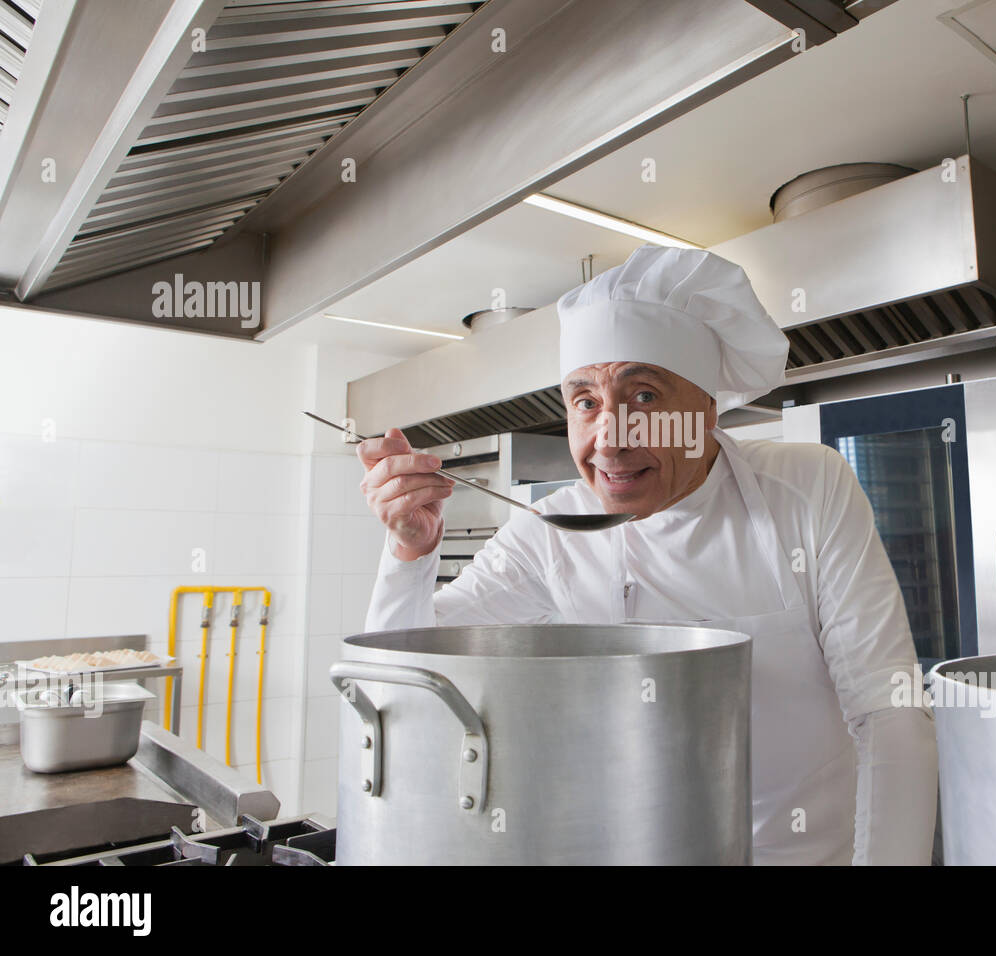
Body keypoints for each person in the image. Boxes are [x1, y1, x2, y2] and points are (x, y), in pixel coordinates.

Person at [359, 244, 938, 864]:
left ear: (707, 411)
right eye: (585, 402)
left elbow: (887, 709)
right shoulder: (551, 529)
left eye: (643, 397)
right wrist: (410, 551)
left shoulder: (807, 491)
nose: (608, 441)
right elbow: (406, 681)